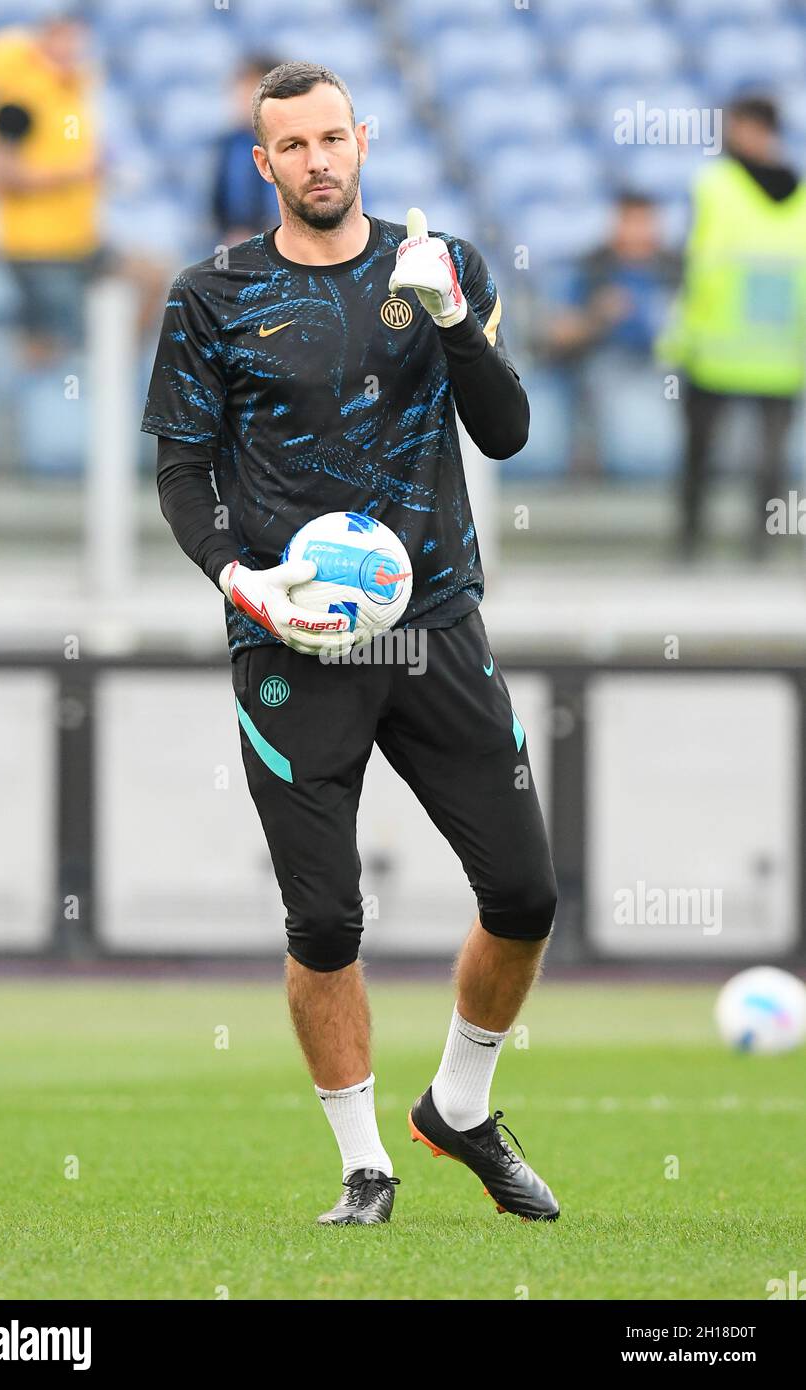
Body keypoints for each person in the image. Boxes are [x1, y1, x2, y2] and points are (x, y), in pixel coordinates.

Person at [142, 61, 559, 1227]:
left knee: (524, 892)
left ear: (361, 141)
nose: (318, 159)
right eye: (293, 145)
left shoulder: (441, 265)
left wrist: (450, 318)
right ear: (263, 161)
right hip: (291, 642)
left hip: (431, 624)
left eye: (334, 136)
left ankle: (460, 1108)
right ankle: (364, 1166)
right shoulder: (210, 294)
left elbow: (507, 430)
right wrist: (243, 579)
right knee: (325, 920)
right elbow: (179, 469)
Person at [656, 96, 806, 558]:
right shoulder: (718, 184)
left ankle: (754, 548)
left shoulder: (719, 185)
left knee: (764, 462)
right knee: (705, 456)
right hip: (730, 346)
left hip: (760, 350)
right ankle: (690, 543)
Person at [0, 14, 101, 363]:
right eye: (62, 41)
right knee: (57, 347)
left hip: (76, 239)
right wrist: (72, 173)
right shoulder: (19, 96)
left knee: (149, 281)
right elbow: (3, 175)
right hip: (38, 246)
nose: (72, 50)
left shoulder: (70, 91)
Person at [542, 193, 681, 472]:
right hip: (607, 363)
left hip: (665, 365)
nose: (637, 233)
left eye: (644, 223)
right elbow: (556, 333)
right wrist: (598, 316)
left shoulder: (674, 269)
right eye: (630, 223)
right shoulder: (594, 268)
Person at [211, 55, 281, 246]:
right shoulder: (228, 146)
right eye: (239, 92)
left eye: (251, 91)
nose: (241, 99)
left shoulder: (295, 145)